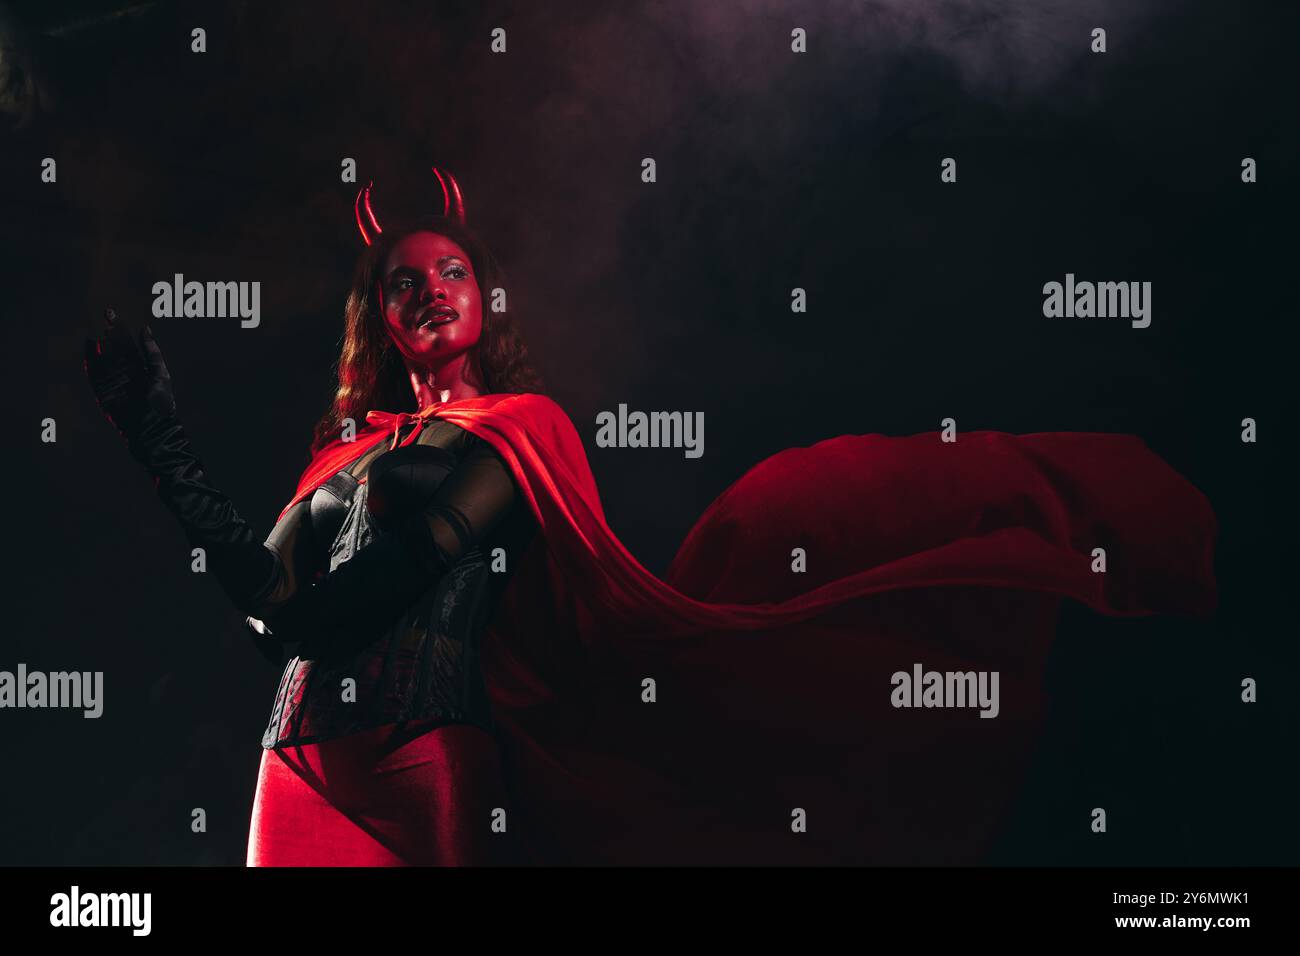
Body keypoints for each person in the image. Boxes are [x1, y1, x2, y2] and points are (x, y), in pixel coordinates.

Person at [84, 170, 1219, 867]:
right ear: (375, 313)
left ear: (483, 300)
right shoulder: (338, 451)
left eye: (451, 269)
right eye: (401, 278)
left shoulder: (517, 431)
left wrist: (180, 466)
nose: (427, 286)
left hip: (424, 760)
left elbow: (329, 616)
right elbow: (268, 615)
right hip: (290, 766)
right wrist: (157, 436)